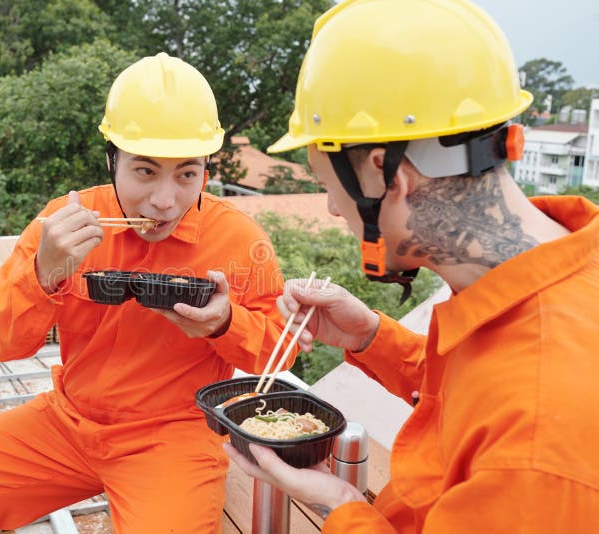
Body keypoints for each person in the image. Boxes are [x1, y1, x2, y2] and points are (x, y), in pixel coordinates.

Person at [224, 0, 599, 532]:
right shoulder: (538, 283)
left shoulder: (537, 448)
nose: (333, 210)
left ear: (385, 177)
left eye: (330, 188)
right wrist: (371, 336)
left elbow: (514, 410)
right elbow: (480, 395)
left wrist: (342, 505)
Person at [0, 52, 296, 533]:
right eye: (145, 171)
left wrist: (227, 324)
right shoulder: (66, 223)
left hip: (173, 436)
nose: (165, 200)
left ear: (207, 168)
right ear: (112, 159)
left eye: (187, 173)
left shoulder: (238, 239)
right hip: (68, 422)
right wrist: (44, 272)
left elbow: (282, 351)